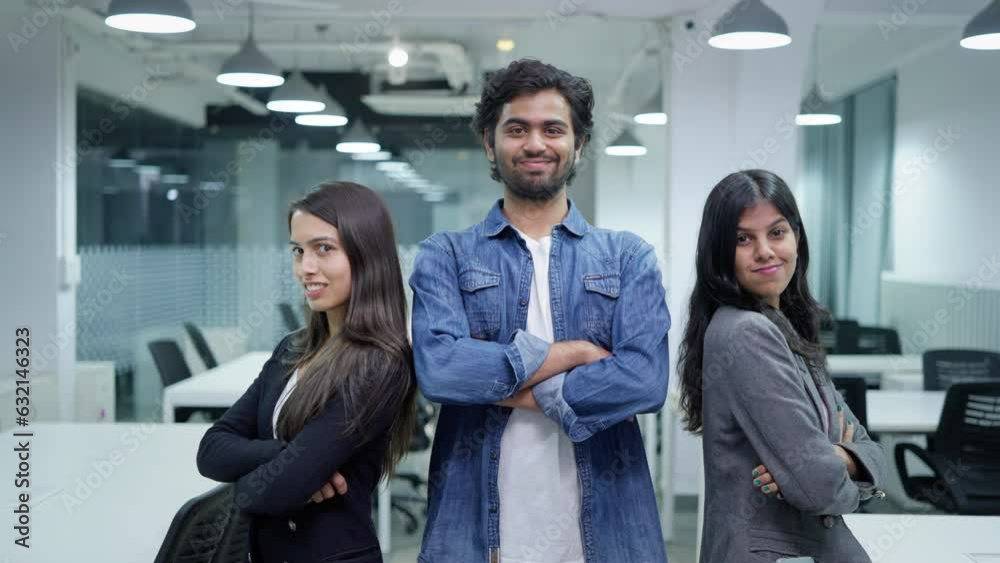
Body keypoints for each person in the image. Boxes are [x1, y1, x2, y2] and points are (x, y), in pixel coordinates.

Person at [409, 58, 671, 563]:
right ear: (490, 143)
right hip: (478, 533)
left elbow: (644, 381)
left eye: (553, 129)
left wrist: (504, 386)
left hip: (606, 531)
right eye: (516, 129)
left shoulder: (627, 256)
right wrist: (571, 353)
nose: (534, 144)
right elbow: (441, 371)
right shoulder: (446, 255)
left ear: (579, 145)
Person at [196, 181, 416, 563]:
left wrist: (290, 473)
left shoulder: (381, 364)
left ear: (367, 254)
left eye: (324, 249)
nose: (305, 268)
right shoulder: (292, 349)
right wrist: (287, 456)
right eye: (298, 251)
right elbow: (211, 449)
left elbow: (273, 491)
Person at [677, 170, 886, 563]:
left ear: (796, 237)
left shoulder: (786, 325)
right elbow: (818, 487)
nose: (765, 251)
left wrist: (835, 456)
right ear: (720, 252)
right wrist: (836, 471)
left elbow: (871, 452)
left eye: (777, 232)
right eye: (743, 239)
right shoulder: (746, 332)